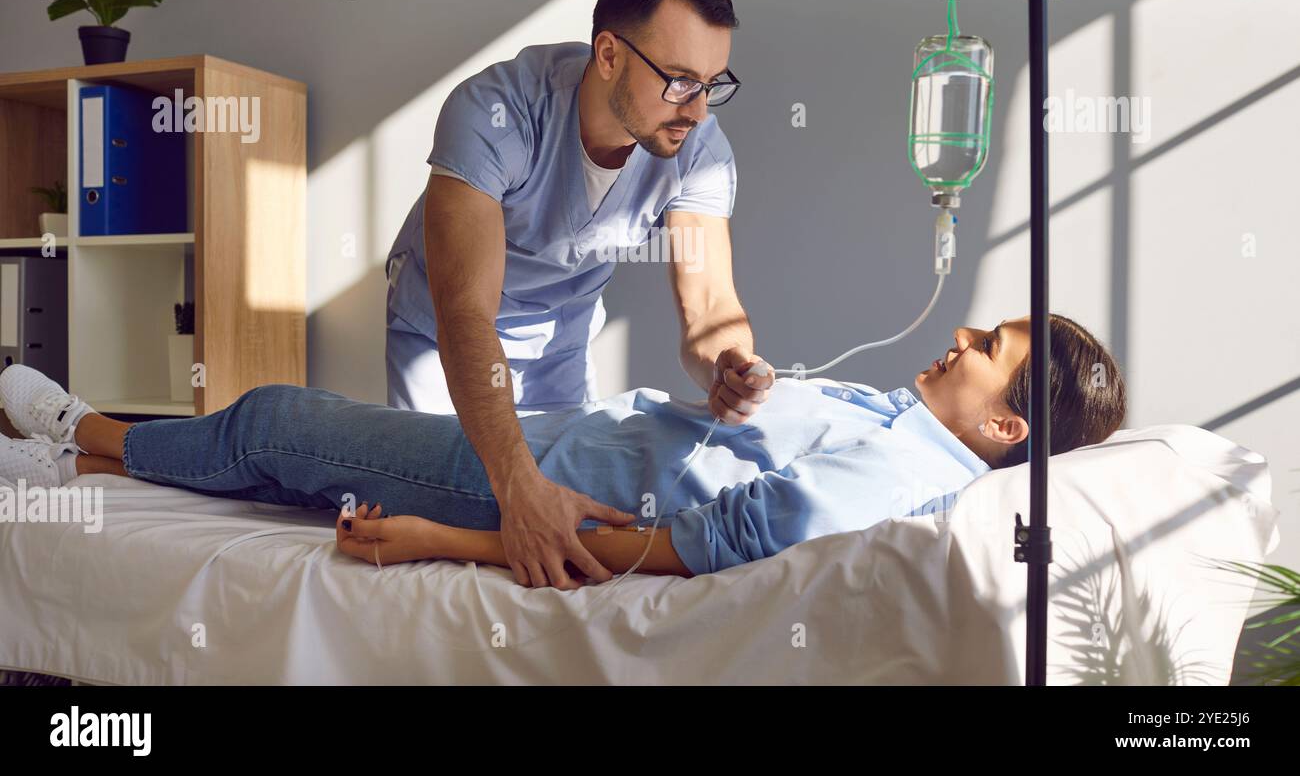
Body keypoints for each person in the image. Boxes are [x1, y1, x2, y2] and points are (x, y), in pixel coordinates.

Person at [0, 313, 1126, 584]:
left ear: (1005, 426)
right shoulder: (895, 422)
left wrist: (453, 538)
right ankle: (97, 463)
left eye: (985, 347)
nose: (959, 337)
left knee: (275, 423)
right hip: (552, 431)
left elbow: (706, 540)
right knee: (279, 450)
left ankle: (69, 431)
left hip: (528, 480)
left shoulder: (906, 469)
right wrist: (743, 380)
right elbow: (741, 460)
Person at [383, 0, 775, 587]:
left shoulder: (699, 150)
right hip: (447, 333)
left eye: (711, 85)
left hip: (562, 330)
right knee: (443, 493)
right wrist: (515, 484)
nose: (697, 109)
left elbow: (710, 311)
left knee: (565, 513)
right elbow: (466, 315)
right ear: (610, 54)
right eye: (678, 80)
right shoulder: (493, 115)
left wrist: (729, 367)